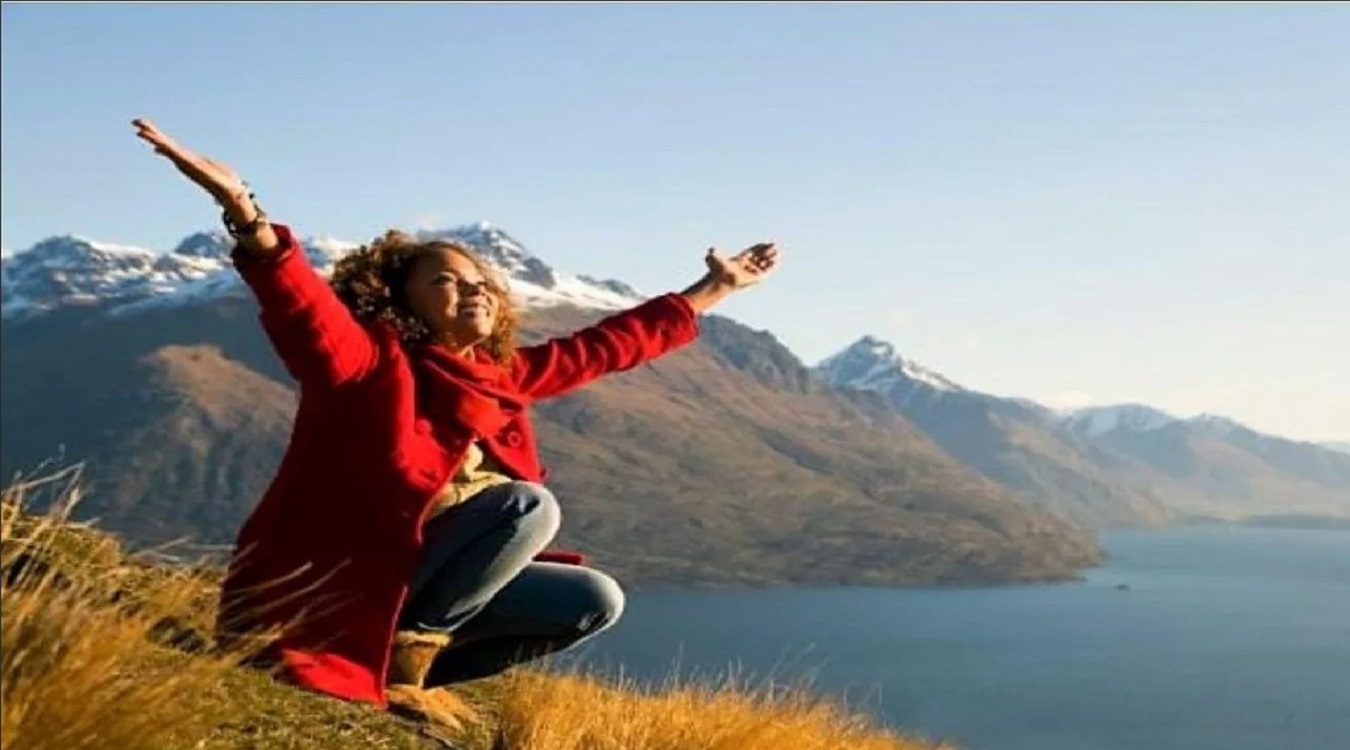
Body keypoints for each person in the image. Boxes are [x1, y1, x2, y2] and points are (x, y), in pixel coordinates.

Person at [131, 118, 781, 730]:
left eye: (481, 283)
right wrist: (244, 210)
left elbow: (608, 345)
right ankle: (392, 668)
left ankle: (402, 673)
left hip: (409, 588)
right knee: (526, 506)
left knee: (594, 599)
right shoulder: (368, 364)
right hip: (327, 600)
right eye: (445, 281)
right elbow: (300, 306)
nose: (473, 290)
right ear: (401, 300)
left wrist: (713, 289)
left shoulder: (503, 378)